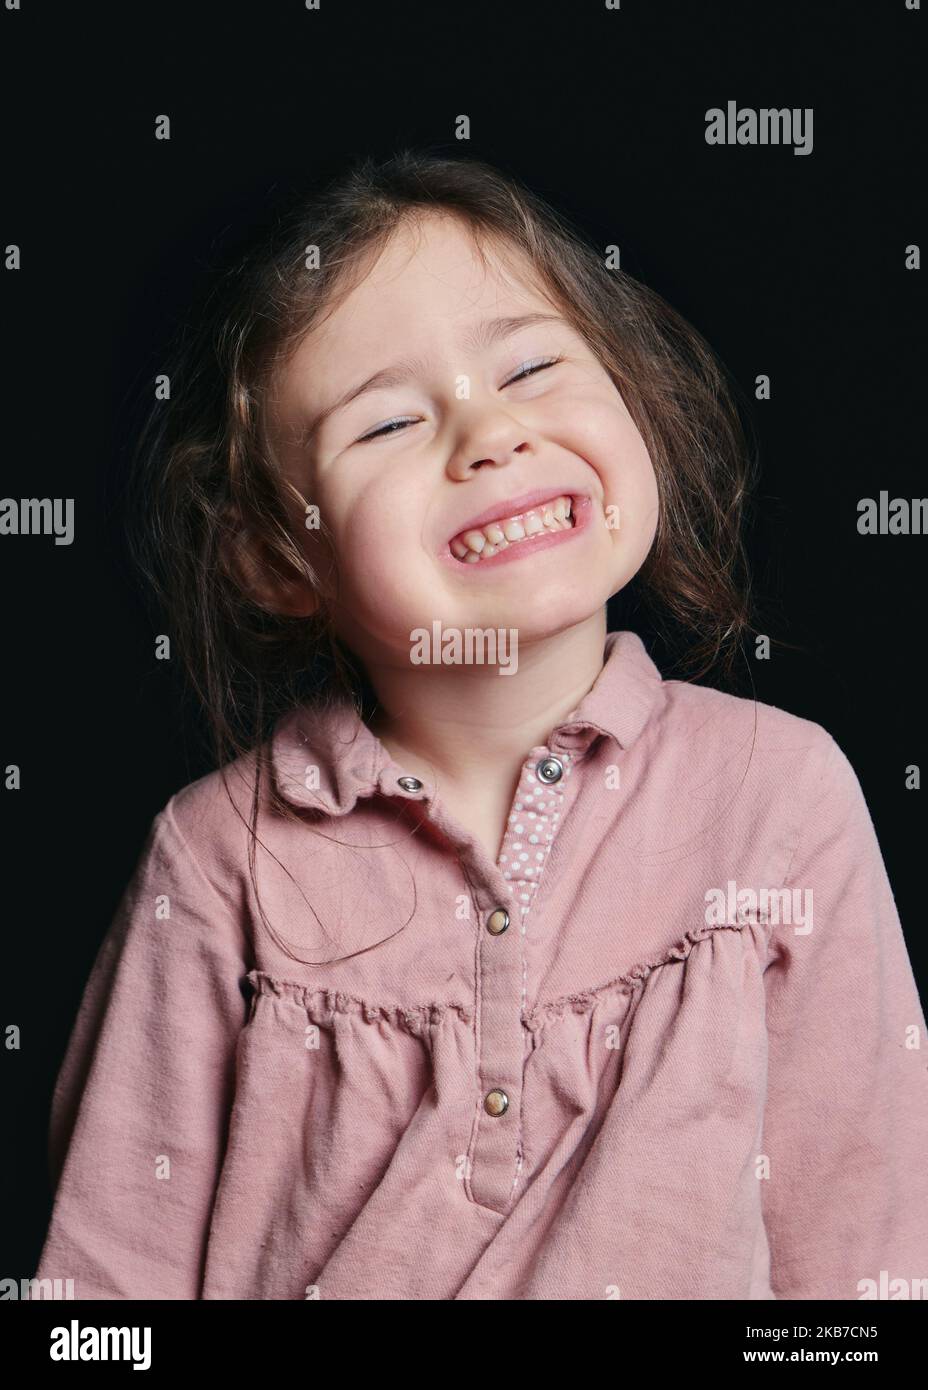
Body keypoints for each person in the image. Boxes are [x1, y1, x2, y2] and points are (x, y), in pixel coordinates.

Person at [34, 151, 928, 1300]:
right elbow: (102, 1291)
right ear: (276, 558)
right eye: (390, 423)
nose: (490, 434)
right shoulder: (218, 862)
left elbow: (869, 1252)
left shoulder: (779, 796)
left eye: (533, 366)